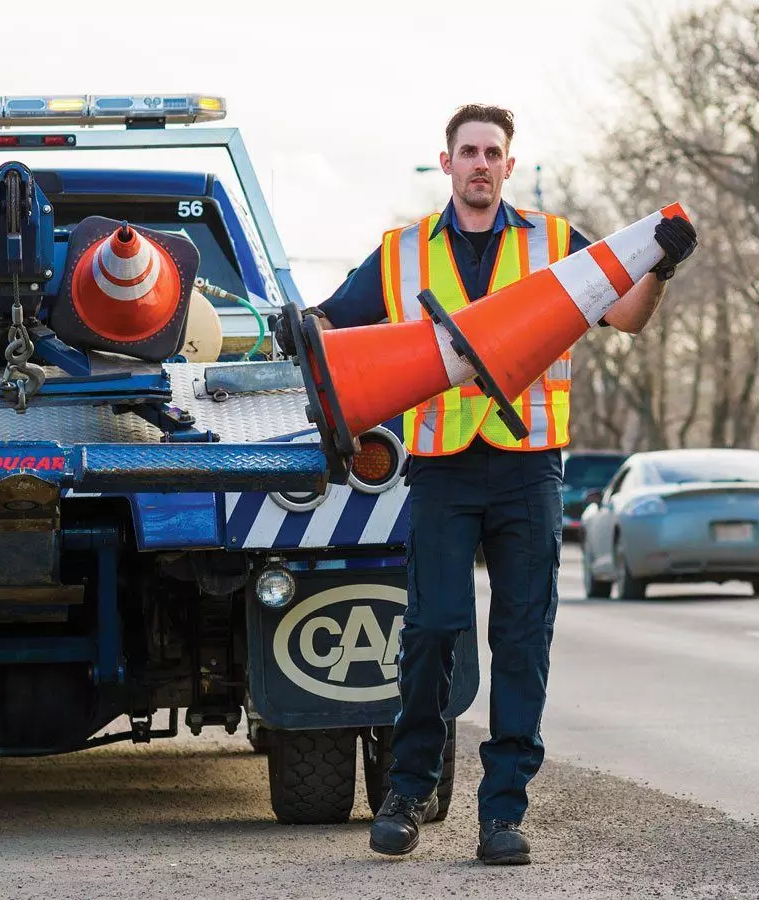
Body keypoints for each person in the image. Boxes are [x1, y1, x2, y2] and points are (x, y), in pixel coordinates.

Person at [307, 104, 696, 865]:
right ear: (446, 163)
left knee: (522, 639)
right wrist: (309, 347)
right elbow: (333, 324)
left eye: (493, 152)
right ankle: (410, 787)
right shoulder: (402, 252)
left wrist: (662, 268)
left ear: (509, 166)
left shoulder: (556, 244)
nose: (481, 163)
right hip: (444, 468)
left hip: (529, 470)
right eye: (468, 152)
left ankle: (502, 812)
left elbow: (626, 316)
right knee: (430, 630)